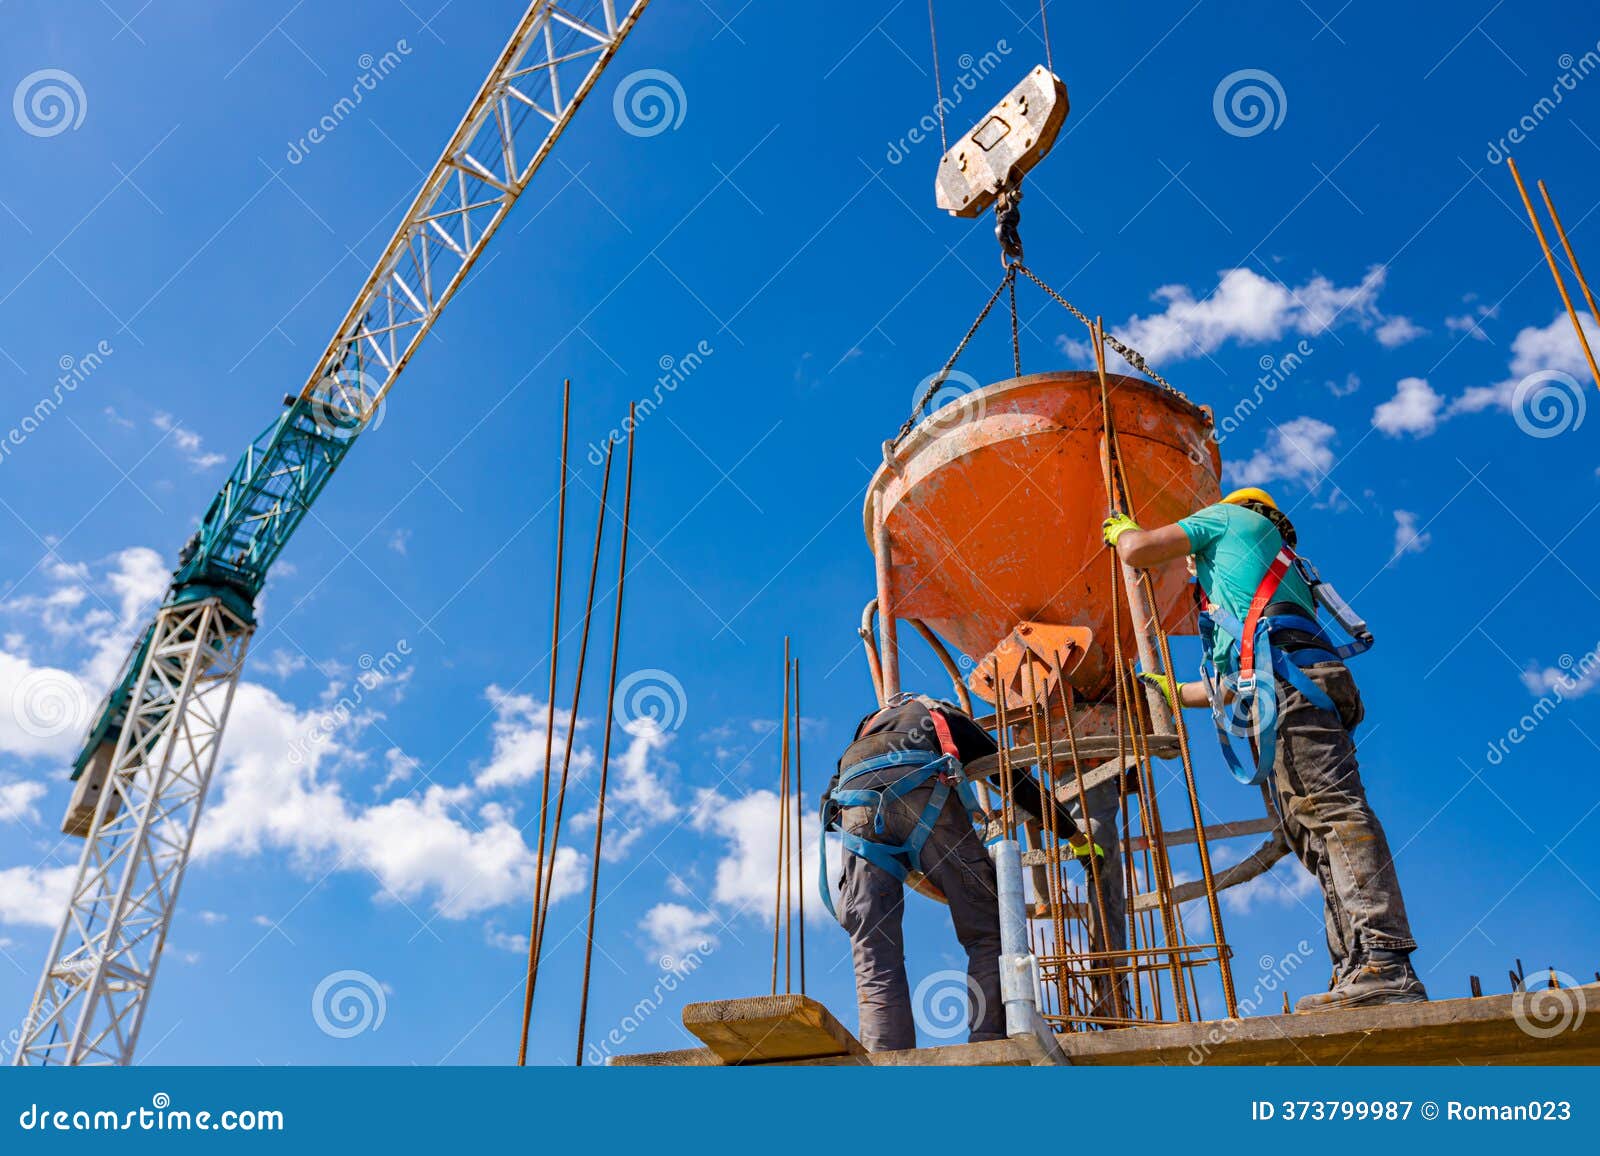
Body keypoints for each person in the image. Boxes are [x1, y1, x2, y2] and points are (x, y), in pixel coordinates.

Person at [1101, 487, 1427, 1012]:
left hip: (1290, 684)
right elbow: (1247, 666)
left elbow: (1139, 551)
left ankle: (1385, 963)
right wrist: (1175, 692)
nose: (1192, 567)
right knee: (1313, 835)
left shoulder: (1226, 518)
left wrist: (1123, 533)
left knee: (1331, 817)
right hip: (1290, 681)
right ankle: (1357, 968)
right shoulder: (1274, 568)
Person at [820, 692, 1079, 1050]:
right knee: (988, 926)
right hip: (924, 794)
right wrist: (1073, 833)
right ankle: (989, 1043)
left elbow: (829, 807)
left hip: (857, 810)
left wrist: (892, 844)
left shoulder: (866, 728)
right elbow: (1015, 780)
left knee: (873, 946)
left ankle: (886, 1056)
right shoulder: (947, 718)